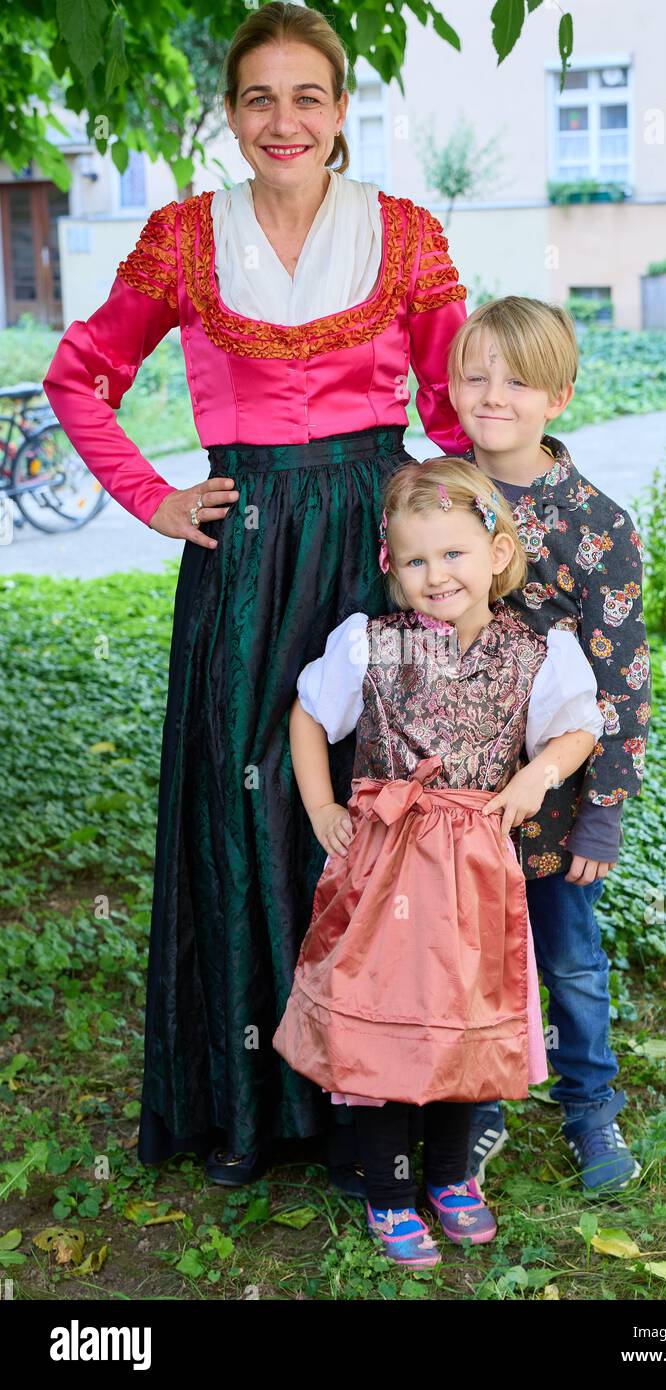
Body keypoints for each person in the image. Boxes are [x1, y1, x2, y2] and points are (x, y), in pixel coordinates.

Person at [41, 2, 474, 1188]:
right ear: (230, 114)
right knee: (250, 806)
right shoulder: (185, 236)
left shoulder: (407, 234)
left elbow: (449, 413)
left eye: (306, 97)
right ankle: (250, 1098)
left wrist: (510, 512)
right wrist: (155, 495)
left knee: (383, 812)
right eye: (257, 98)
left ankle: (372, 1107)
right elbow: (77, 376)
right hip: (244, 551)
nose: (283, 121)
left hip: (377, 543)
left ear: (342, 111)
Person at [272, 460, 605, 1265]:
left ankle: (452, 1179)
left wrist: (538, 773)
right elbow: (310, 718)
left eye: (454, 554)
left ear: (496, 554)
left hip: (473, 872)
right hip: (385, 865)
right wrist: (322, 806)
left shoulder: (539, 654)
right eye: (416, 560)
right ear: (392, 567)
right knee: (383, 1030)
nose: (436, 575)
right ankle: (389, 1193)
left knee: (460, 1026)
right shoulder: (368, 644)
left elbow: (581, 724)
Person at [446, 297, 651, 1192]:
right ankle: (475, 1116)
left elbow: (622, 682)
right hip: (454, 801)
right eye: (476, 374)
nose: (494, 395)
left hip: (558, 803)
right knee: (466, 961)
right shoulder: (436, 494)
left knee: (568, 960)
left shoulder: (597, 525)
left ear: (558, 397)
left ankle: (590, 1111)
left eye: (519, 381)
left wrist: (602, 814)